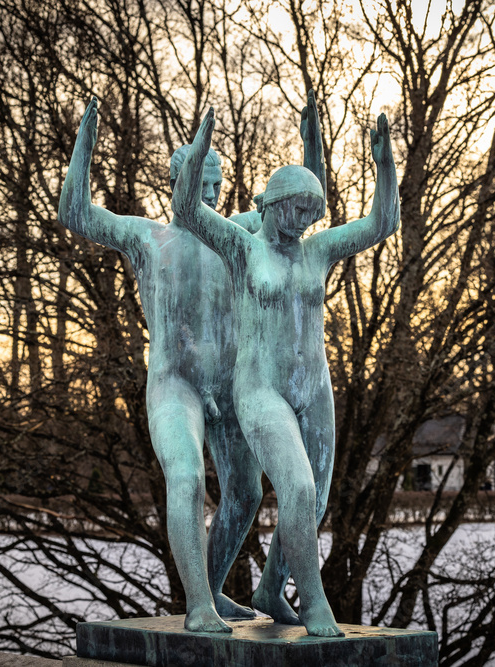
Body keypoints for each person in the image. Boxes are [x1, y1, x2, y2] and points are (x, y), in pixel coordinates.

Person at [57, 95, 324, 632]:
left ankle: (215, 589)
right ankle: (198, 605)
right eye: (201, 181)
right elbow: (76, 213)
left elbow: (299, 210)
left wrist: (310, 147)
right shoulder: (147, 237)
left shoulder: (238, 233)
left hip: (230, 387)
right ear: (177, 182)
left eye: (217, 185)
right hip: (175, 384)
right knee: (185, 476)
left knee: (246, 493)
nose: (211, 194)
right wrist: (84, 144)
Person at [173, 107, 399, 637]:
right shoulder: (242, 246)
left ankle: (270, 589)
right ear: (272, 205)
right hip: (261, 390)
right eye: (295, 210)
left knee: (314, 499)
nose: (301, 222)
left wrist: (385, 166)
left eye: (310, 213)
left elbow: (381, 223)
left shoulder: (318, 250)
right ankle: (315, 604)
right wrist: (198, 154)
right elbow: (187, 209)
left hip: (314, 389)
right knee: (295, 486)